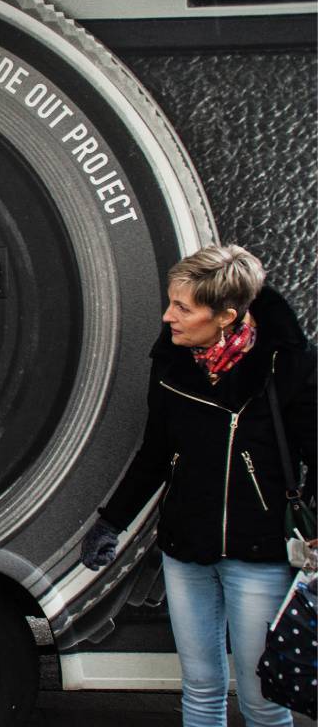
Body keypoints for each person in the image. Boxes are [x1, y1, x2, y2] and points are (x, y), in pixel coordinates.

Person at [80, 245, 316, 727]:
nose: (168, 316)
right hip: (184, 549)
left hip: (260, 555)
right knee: (201, 689)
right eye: (171, 302)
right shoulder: (171, 364)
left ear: (226, 315)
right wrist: (111, 522)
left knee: (262, 701)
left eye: (183, 307)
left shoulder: (286, 368)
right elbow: (155, 453)